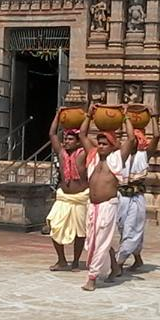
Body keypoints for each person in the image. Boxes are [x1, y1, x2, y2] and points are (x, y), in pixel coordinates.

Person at [78, 104, 136, 291]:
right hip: (92, 205)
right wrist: (89, 114)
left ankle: (92, 278)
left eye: (104, 144)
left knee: (100, 241)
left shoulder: (117, 158)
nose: (100, 146)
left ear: (112, 146)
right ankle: (115, 267)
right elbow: (82, 135)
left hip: (108, 206)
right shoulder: (93, 157)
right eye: (99, 143)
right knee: (95, 240)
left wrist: (126, 116)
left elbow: (131, 138)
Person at [115, 111, 159, 275]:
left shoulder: (144, 155)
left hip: (136, 197)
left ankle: (119, 263)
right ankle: (138, 259)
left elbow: (156, 136)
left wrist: (153, 117)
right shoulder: (120, 155)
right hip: (121, 197)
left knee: (131, 229)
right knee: (123, 228)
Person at [45, 111, 90, 271]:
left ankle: (76, 261)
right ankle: (61, 260)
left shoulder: (84, 153)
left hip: (80, 198)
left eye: (70, 139)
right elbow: (52, 133)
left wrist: (88, 117)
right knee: (54, 225)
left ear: (78, 142)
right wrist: (57, 114)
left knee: (80, 231)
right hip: (63, 197)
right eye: (65, 138)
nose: (66, 141)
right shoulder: (62, 153)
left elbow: (85, 135)